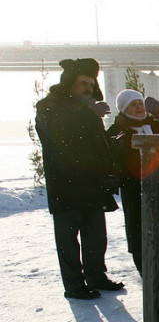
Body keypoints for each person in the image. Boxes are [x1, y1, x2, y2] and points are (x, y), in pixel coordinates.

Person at [34, 58, 124, 300]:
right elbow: (60, 135)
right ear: (68, 83)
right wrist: (87, 114)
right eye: (82, 83)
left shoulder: (86, 109)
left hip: (92, 183)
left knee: (96, 236)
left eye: (91, 83)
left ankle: (96, 276)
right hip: (66, 184)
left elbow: (94, 144)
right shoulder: (48, 106)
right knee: (68, 241)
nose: (88, 88)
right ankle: (74, 286)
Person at [108, 89, 159, 274]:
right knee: (138, 228)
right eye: (133, 105)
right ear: (124, 108)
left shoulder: (155, 125)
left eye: (140, 103)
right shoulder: (117, 130)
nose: (139, 107)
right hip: (134, 186)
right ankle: (145, 269)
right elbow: (115, 158)